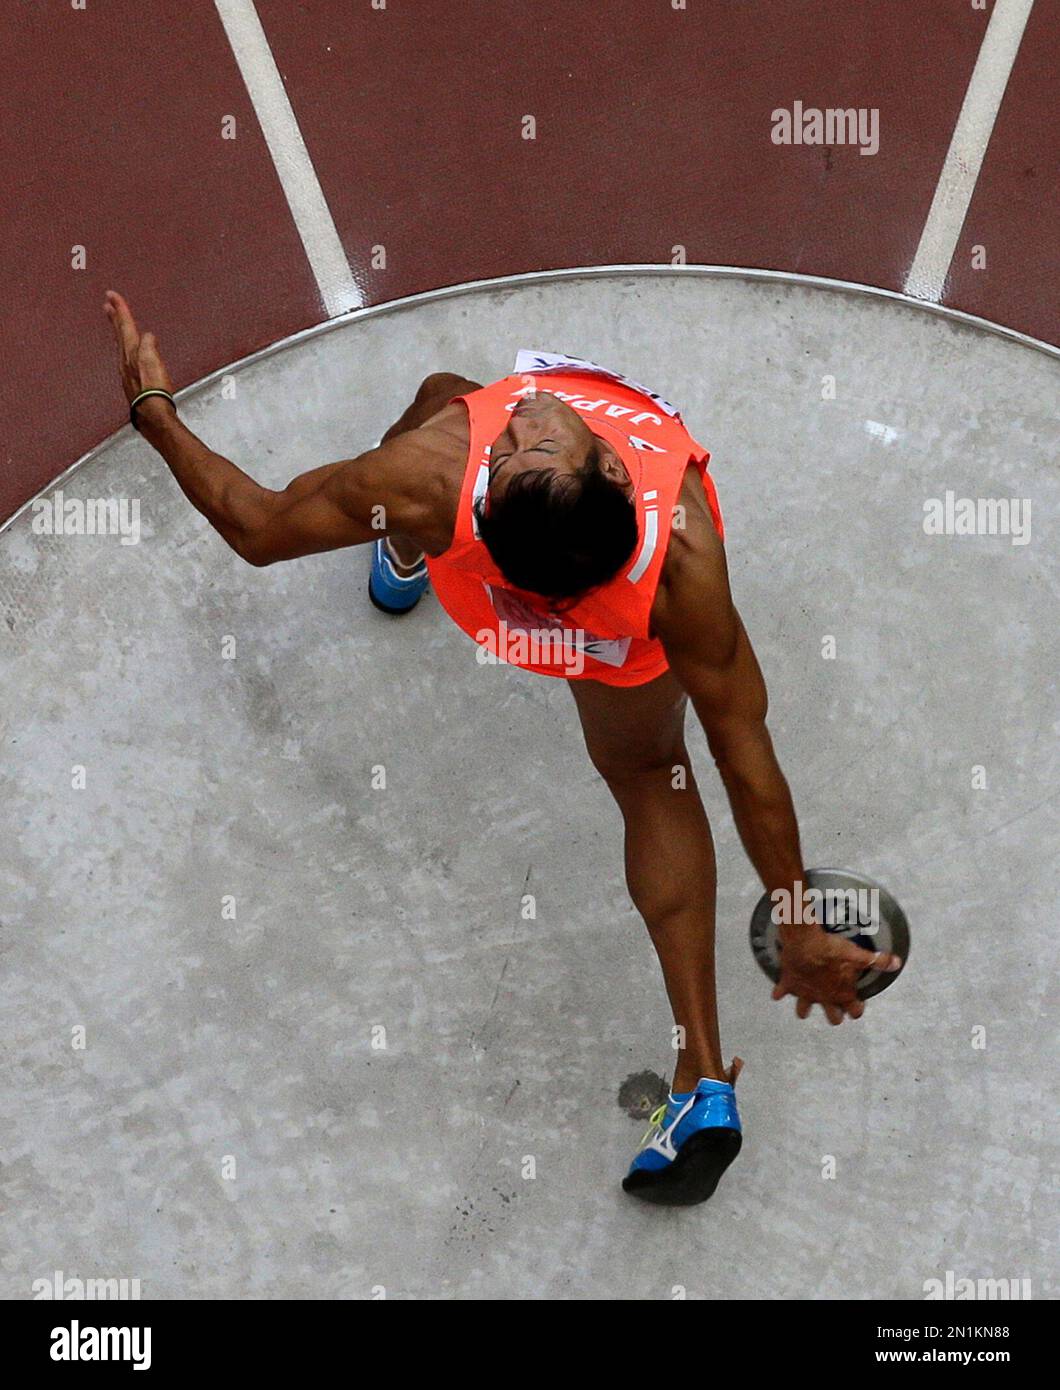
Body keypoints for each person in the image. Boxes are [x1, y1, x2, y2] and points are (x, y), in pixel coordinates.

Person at [104, 292, 901, 1206]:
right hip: (620, 628)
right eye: (529, 443)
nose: (523, 415)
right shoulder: (686, 560)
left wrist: (152, 409)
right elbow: (745, 757)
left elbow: (254, 524)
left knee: (443, 387)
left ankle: (400, 554)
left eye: (532, 443)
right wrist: (794, 916)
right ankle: (703, 1083)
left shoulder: (434, 472)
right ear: (609, 460)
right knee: (651, 774)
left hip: (507, 608)